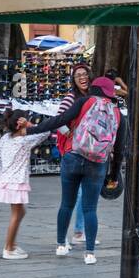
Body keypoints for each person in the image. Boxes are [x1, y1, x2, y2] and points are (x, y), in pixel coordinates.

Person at [28, 76, 126, 266]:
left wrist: (34, 130)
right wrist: (113, 175)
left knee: (67, 203)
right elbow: (120, 149)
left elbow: (60, 120)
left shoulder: (84, 102)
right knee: (90, 208)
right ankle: (89, 253)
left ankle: (60, 245)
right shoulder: (118, 114)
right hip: (98, 163)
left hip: (73, 156)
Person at [0, 109, 40, 260]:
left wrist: (0, 174)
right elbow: (44, 133)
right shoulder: (25, 141)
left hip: (8, 180)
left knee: (20, 212)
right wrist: (31, 125)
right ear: (21, 124)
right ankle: (8, 248)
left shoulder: (6, 138)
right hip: (17, 181)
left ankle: (12, 244)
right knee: (16, 214)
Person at [56, 64, 93, 244]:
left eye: (85, 74)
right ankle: (78, 232)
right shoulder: (71, 98)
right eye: (78, 75)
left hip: (89, 150)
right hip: (74, 151)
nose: (82, 77)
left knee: (85, 193)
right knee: (77, 194)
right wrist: (71, 135)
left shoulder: (92, 98)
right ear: (73, 80)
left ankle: (80, 230)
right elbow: (58, 121)